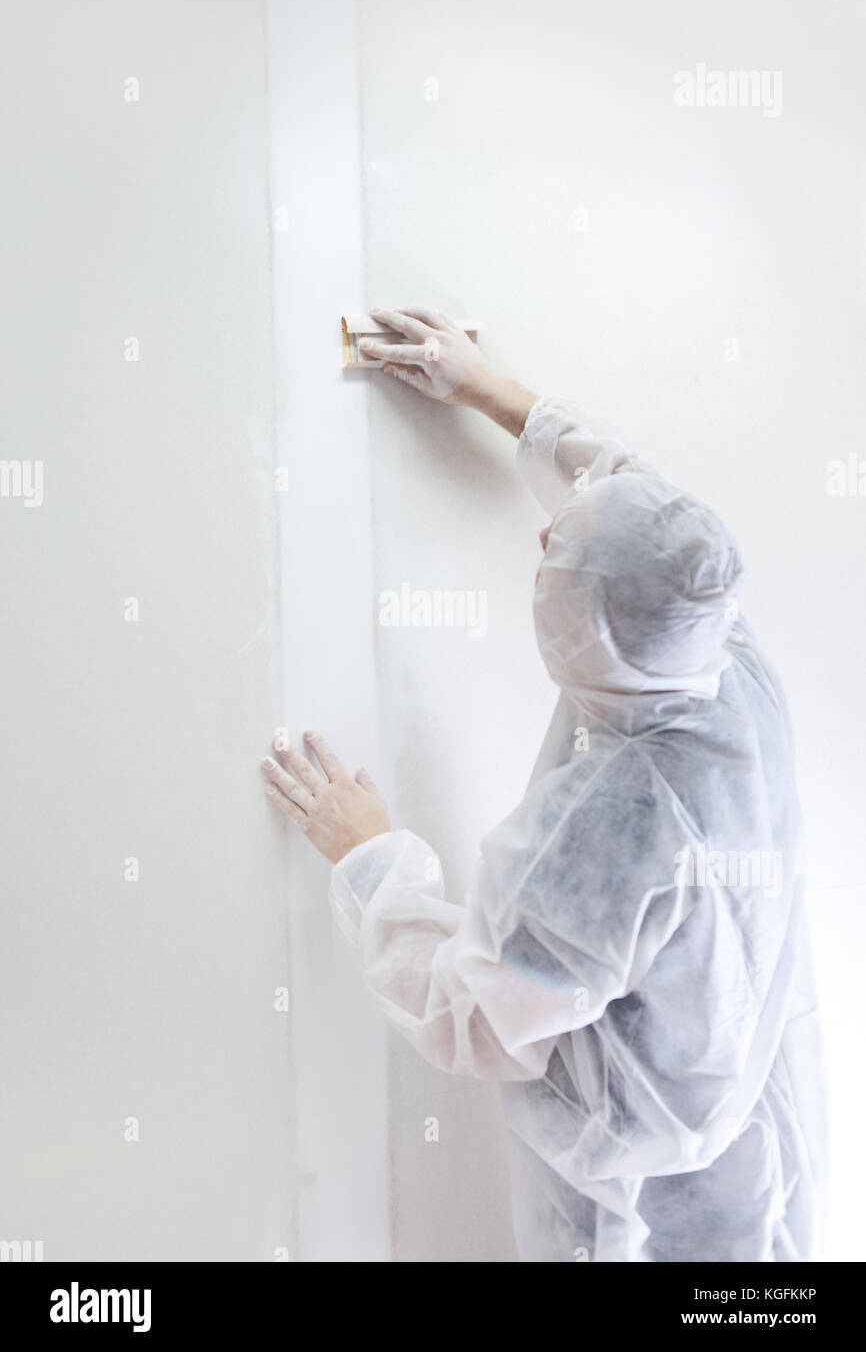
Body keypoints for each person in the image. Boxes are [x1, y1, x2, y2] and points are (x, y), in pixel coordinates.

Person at [260, 307, 826, 1262]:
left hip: (632, 1183)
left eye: (557, 558)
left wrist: (368, 856)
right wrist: (485, 387)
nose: (540, 547)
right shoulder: (718, 649)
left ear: (584, 633)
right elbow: (643, 507)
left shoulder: (614, 817)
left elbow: (475, 1017)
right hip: (749, 1126)